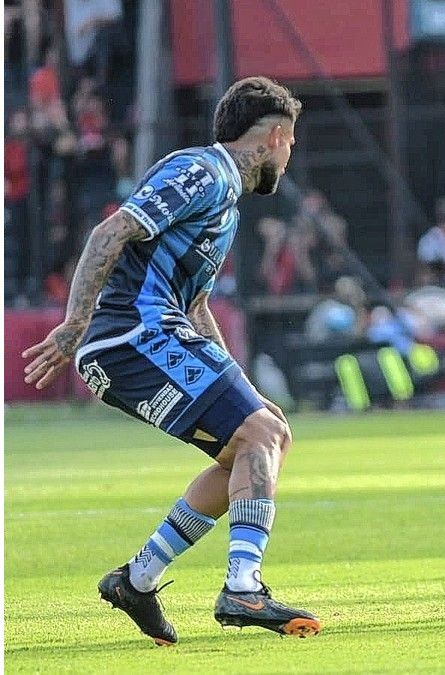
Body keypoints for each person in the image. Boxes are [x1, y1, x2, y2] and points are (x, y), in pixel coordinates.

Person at [21, 77, 320, 645]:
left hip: (153, 333)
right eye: (292, 140)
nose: (292, 152)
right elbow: (112, 230)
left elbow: (196, 303)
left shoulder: (225, 198)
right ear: (276, 135)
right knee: (258, 435)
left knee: (265, 434)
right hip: (129, 335)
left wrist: (243, 390)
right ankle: (243, 586)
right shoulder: (201, 173)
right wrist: (75, 324)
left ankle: (138, 579)